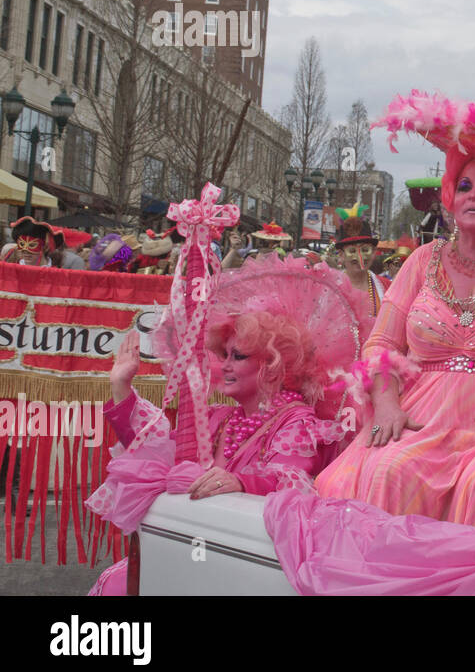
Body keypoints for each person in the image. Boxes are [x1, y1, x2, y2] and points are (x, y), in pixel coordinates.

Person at [315, 94, 475, 526]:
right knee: (389, 470)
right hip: (419, 421)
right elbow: (381, 342)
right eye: (465, 185)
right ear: (451, 197)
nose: (473, 194)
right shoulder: (422, 260)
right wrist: (385, 405)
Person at [87, 252, 374, 594]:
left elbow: (292, 483)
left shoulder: (296, 421)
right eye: (223, 355)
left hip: (248, 564)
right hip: (198, 547)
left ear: (273, 364)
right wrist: (122, 386)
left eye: (237, 356)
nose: (223, 366)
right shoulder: (219, 418)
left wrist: (240, 482)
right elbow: (153, 449)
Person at [333, 202, 385, 315]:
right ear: (341, 255)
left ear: (374, 252)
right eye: (352, 251)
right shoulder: (330, 287)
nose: (359, 257)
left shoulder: (387, 287)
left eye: (365, 250)